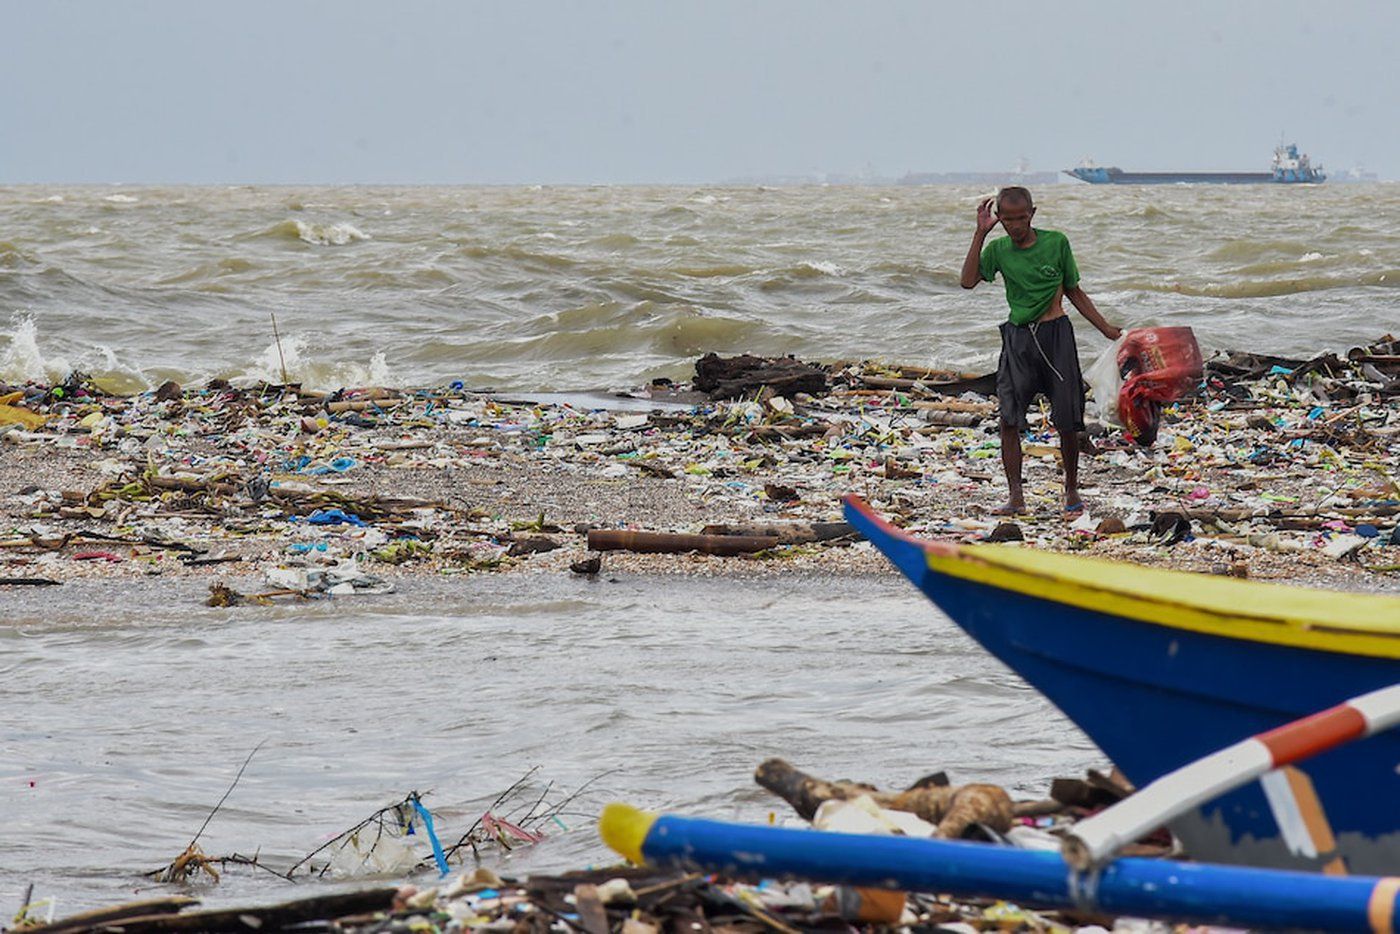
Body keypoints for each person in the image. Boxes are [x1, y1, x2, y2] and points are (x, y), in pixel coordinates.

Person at [959, 186, 1121, 515]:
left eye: (1021, 218)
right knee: (1009, 419)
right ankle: (1015, 496)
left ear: (1032, 214)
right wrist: (980, 233)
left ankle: (1071, 490)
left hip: (1056, 335)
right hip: (1018, 340)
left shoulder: (1056, 242)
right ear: (999, 219)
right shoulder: (999, 249)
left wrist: (1105, 328)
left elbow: (1074, 290)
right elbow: (967, 281)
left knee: (1068, 419)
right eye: (1008, 220)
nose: (1016, 226)